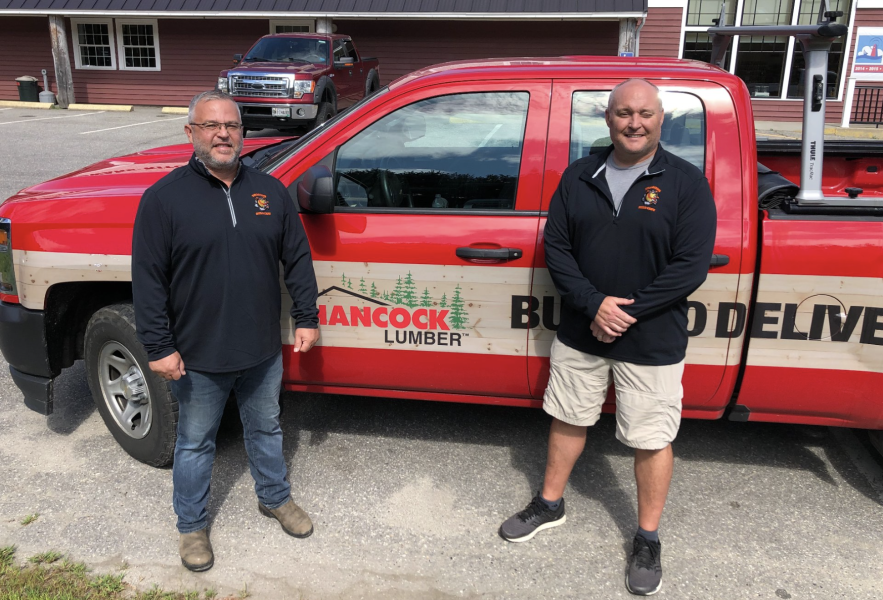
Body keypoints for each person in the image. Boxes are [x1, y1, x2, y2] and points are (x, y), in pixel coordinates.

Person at [499, 79, 716, 596]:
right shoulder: (579, 177)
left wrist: (626, 312)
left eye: (644, 113)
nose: (633, 123)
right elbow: (558, 249)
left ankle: (647, 537)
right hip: (581, 330)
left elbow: (691, 266)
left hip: (652, 339)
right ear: (608, 119)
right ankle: (550, 504)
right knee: (568, 416)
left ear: (662, 118)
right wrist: (594, 304)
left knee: (651, 436)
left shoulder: (687, 183)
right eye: (623, 113)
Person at [132, 89, 320, 572]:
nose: (223, 134)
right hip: (197, 356)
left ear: (242, 132)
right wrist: (159, 346)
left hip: (260, 350)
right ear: (191, 133)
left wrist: (306, 317)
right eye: (211, 125)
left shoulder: (270, 191)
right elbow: (148, 280)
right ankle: (191, 526)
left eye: (232, 126)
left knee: (266, 427)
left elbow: (296, 257)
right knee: (195, 443)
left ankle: (274, 498)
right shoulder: (163, 200)